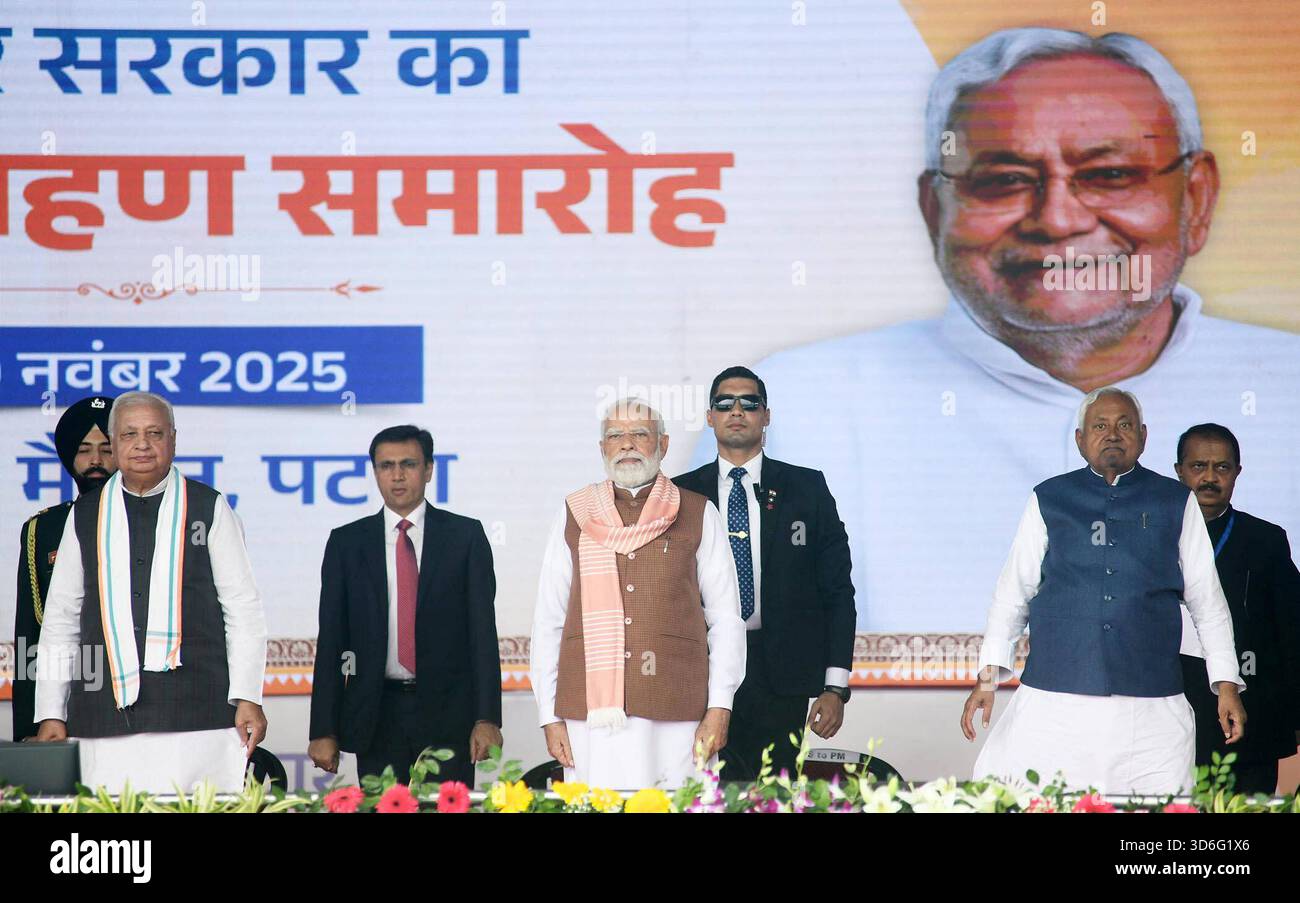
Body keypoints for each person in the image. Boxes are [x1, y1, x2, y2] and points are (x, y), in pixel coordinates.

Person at [692, 28, 1300, 632]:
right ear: (935, 211)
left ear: (1197, 197)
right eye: (1003, 180)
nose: (1058, 219)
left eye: (1110, 174)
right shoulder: (805, 402)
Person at [961, 387, 1245, 795]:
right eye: (1100, 426)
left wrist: (1226, 684)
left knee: (1152, 805)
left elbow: (1208, 602)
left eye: (1124, 425)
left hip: (1150, 706)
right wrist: (987, 679)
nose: (1113, 434)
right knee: (1023, 796)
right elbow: (1012, 594)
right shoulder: (1049, 498)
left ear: (1143, 437)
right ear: (1080, 440)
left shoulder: (1175, 501)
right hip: (1054, 701)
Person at [32, 391, 268, 793]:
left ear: (173, 440)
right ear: (115, 443)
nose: (142, 444)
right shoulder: (85, 516)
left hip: (200, 715)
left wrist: (248, 695)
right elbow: (61, 619)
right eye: (129, 434)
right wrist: (51, 712)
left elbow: (243, 610)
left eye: (154, 433)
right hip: (101, 717)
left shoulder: (210, 507)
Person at [531, 397, 745, 788]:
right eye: (615, 435)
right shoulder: (574, 514)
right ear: (602, 449)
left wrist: (720, 707)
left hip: (678, 710)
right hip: (589, 714)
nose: (627, 444)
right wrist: (549, 714)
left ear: (662, 445)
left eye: (640, 434)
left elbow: (726, 619)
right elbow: (549, 620)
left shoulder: (697, 512)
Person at [673, 367, 856, 779]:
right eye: (724, 403)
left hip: (782, 677)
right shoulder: (680, 493)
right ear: (709, 417)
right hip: (699, 673)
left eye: (749, 402)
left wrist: (835, 686)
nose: (736, 410)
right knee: (701, 797)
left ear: (766, 415)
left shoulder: (807, 488)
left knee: (770, 796)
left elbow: (838, 592)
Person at [309, 425, 502, 786]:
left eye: (408, 464)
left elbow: (482, 635)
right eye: (386, 465)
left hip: (450, 715)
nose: (397, 475)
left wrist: (487, 718)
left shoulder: (465, 537)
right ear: (375, 472)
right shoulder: (347, 544)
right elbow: (333, 641)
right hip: (376, 713)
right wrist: (323, 728)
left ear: (429, 469)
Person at [1174, 423, 1300, 795]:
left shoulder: (1266, 540)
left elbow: (1292, 632)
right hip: (1171, 708)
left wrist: (1294, 713)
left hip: (1250, 711)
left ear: (1237, 472)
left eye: (1222, 468)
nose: (1210, 478)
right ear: (1178, 470)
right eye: (1198, 467)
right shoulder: (1154, 536)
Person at [12, 395, 116, 740]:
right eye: (85, 449)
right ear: (70, 457)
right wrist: (34, 721)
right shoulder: (44, 529)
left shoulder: (155, 520)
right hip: (70, 693)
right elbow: (33, 632)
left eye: (107, 447)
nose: (96, 460)